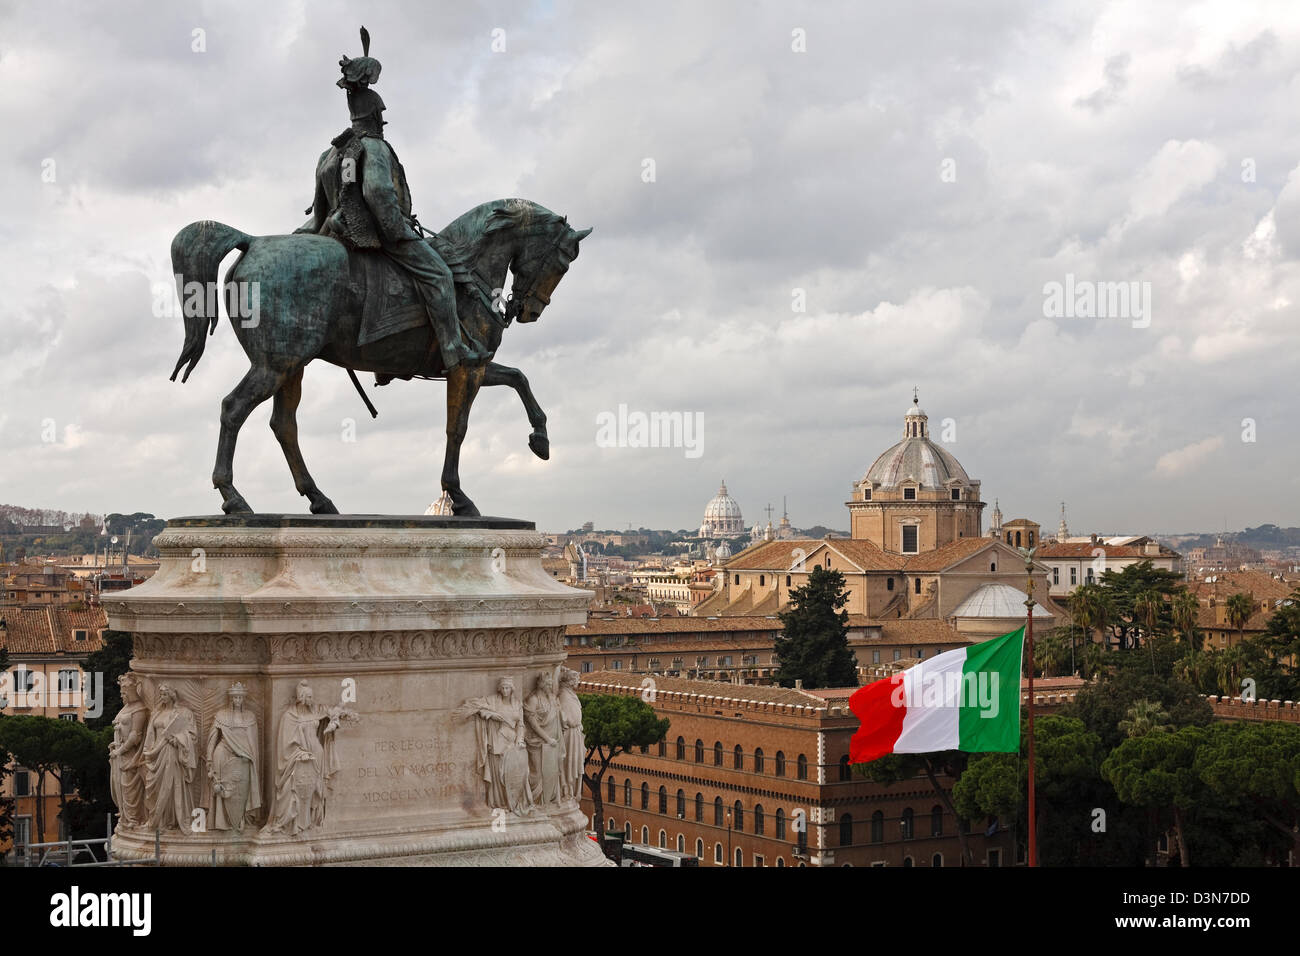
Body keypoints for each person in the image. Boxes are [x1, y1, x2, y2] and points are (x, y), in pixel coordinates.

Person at [296, 26, 482, 376]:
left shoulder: (331, 154)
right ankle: (454, 348)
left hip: (334, 232)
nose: (383, 119)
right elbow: (378, 194)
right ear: (376, 112)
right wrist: (400, 231)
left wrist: (300, 240)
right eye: (382, 114)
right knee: (440, 274)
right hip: (374, 236)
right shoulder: (374, 149)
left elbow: (319, 213)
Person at [265, 680, 353, 835]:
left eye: (312, 696)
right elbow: (286, 743)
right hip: (300, 757)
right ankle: (294, 823)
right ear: (302, 698)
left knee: (314, 788)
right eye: (310, 697)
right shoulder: (289, 716)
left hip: (317, 754)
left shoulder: (315, 710)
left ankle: (313, 819)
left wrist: (337, 716)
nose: (313, 699)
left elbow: (331, 713)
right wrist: (299, 753)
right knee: (297, 788)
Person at [455, 676, 532, 814]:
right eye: (502, 688)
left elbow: (521, 724)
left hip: (512, 742)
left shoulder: (517, 704)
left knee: (511, 774)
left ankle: (512, 802)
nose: (504, 690)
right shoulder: (493, 701)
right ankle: (500, 802)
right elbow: (476, 706)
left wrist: (520, 739)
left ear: (512, 689)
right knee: (498, 774)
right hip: (497, 742)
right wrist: (490, 715)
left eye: (507, 688)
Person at [204, 682, 261, 832]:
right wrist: (209, 759)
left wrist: (249, 756)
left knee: (241, 788)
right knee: (222, 788)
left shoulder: (250, 717)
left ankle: (240, 818)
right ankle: (221, 821)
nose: (237, 700)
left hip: (243, 757)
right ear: (231, 699)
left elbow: (252, 742)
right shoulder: (222, 715)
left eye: (240, 698)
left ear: (244, 699)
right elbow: (212, 739)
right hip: (222, 754)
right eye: (235, 697)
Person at [142, 683, 198, 831]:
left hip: (171, 752)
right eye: (161, 694)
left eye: (165, 694)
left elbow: (192, 736)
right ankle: (158, 820)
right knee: (156, 787)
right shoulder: (156, 713)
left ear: (172, 695)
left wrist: (178, 739)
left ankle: (170, 820)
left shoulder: (183, 713)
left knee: (171, 786)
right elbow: (150, 734)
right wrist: (149, 751)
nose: (162, 697)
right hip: (156, 753)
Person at [108, 673, 149, 828]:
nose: (121, 693)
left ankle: (134, 820)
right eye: (121, 690)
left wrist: (120, 750)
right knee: (120, 788)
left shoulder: (140, 709)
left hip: (131, 756)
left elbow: (135, 736)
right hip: (119, 753)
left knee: (129, 789)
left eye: (124, 690)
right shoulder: (127, 707)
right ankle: (126, 819)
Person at [523, 671, 562, 805]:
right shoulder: (532, 700)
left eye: (551, 683)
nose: (551, 685)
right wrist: (547, 739)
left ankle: (547, 800)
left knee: (551, 771)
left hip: (551, 741)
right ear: (542, 684)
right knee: (537, 773)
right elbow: (533, 725)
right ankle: (533, 800)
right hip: (537, 741)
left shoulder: (551, 698)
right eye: (549, 683)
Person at [557, 668, 585, 803]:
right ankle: (567, 790)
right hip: (569, 735)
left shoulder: (569, 694)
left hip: (575, 733)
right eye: (576, 680)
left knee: (575, 762)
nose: (578, 682)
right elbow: (565, 716)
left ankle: (572, 791)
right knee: (570, 762)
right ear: (569, 681)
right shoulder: (563, 695)